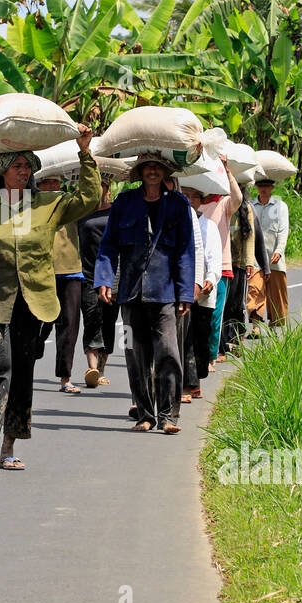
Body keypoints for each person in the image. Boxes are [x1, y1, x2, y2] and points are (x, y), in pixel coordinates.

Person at [0, 125, 99, 473]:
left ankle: (10, 445)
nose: (23, 173)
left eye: (28, 167)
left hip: (34, 302)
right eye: (16, 166)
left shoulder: (47, 204)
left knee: (23, 372)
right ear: (1, 171)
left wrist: (85, 153)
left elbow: (87, 199)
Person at [94, 156, 195, 434]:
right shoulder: (125, 203)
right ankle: (145, 414)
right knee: (134, 356)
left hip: (165, 294)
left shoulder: (178, 205)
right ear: (139, 172)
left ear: (164, 172)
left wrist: (185, 292)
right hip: (130, 294)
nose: (152, 170)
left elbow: (186, 252)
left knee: (168, 354)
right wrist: (104, 279)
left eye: (157, 166)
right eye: (147, 166)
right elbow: (108, 246)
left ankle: (168, 416)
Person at [36, 174, 85, 394]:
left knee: (69, 326)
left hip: (71, 271)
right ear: (37, 185)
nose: (51, 186)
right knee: (39, 323)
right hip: (41, 272)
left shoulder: (70, 203)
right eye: (46, 182)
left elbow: (89, 198)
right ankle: (33, 350)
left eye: (55, 181)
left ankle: (65, 377)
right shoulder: (30, 206)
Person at [197, 157, 242, 368]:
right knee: (194, 318)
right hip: (195, 267)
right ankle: (196, 356)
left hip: (220, 267)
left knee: (214, 316)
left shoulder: (223, 202)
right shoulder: (190, 203)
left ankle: (210, 356)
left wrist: (227, 169)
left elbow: (238, 198)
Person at [176, 180, 217, 402]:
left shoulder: (208, 226)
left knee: (199, 340)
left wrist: (209, 279)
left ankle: (195, 381)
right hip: (181, 289)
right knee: (184, 339)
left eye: (195, 197)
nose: (190, 201)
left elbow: (211, 257)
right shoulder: (177, 220)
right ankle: (185, 386)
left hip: (202, 293)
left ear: (201, 201)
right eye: (186, 195)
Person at [76, 176, 119, 389]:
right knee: (92, 318)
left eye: (100, 185)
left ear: (107, 189)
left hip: (112, 274)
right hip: (87, 274)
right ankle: (92, 368)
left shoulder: (116, 212)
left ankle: (101, 368)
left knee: (108, 321)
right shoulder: (78, 212)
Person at [223, 182, 269, 353]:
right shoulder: (220, 204)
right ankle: (223, 344)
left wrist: (250, 262)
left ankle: (235, 340)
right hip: (222, 262)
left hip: (239, 264)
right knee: (223, 305)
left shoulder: (247, 209)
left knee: (236, 305)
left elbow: (251, 239)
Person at [251, 178, 290, 327]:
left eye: (266, 186)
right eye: (260, 186)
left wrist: (279, 251)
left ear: (272, 187)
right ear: (256, 187)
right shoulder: (251, 206)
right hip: (255, 257)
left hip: (274, 256)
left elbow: (283, 231)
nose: (263, 189)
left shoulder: (280, 206)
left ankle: (274, 322)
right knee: (254, 290)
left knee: (277, 295)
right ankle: (255, 325)